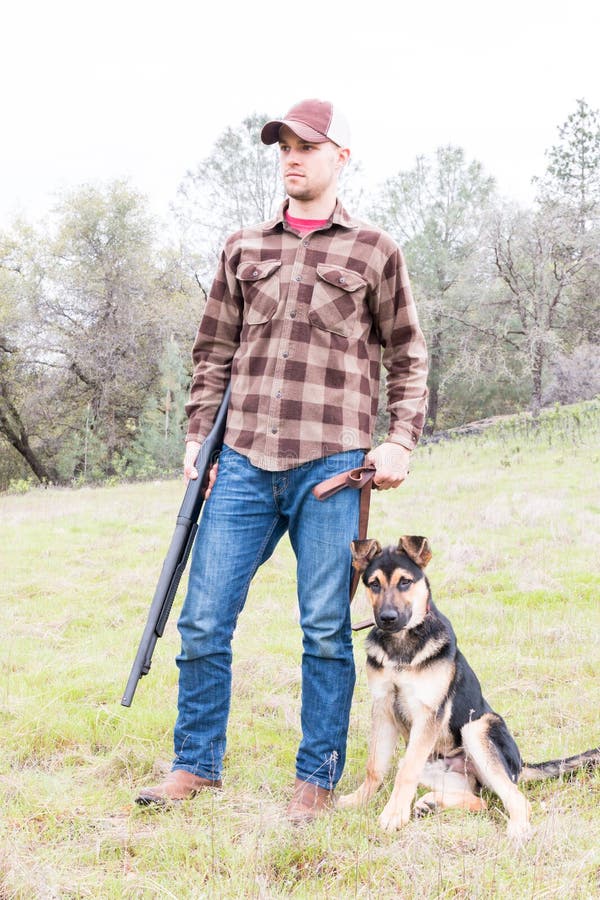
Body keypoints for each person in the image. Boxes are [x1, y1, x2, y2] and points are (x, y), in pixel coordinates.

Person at [136, 99, 429, 822]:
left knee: (324, 628)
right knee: (204, 619)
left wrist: (399, 439)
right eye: (283, 147)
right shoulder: (244, 247)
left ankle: (317, 777)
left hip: (331, 469)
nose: (292, 157)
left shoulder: (373, 249)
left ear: (340, 158)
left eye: (307, 146)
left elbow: (409, 354)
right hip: (240, 461)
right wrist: (197, 445)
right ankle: (195, 765)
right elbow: (213, 356)